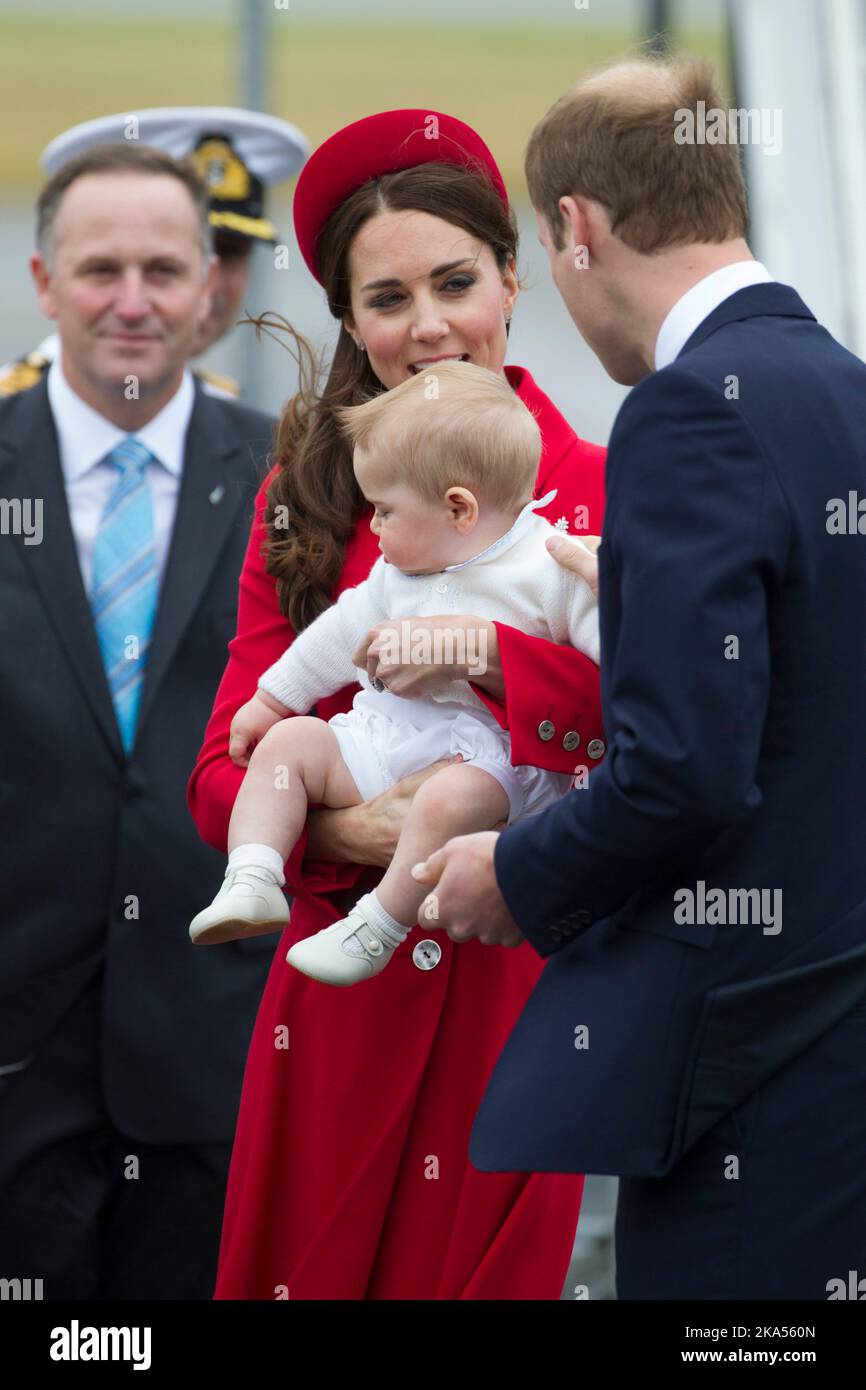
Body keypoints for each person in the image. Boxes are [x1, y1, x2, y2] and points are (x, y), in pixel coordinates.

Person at [411, 56, 866, 1301]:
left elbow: (683, 771)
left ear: (573, 228)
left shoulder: (687, 411)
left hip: (752, 1072)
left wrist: (514, 872)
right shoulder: (841, 391)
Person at [188, 108, 606, 1299]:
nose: (427, 330)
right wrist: (364, 830)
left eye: (455, 282)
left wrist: (490, 660)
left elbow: (660, 745)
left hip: (512, 992)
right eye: (385, 300)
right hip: (332, 1003)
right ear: (350, 322)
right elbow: (221, 772)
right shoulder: (315, 495)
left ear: (514, 279)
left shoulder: (601, 493)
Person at [0, 141, 276, 1298]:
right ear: (43, 279)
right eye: (98, 266)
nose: (130, 300)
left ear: (210, 287)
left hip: (212, 1043)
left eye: (163, 269)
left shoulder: (291, 475)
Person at [188, 361, 599, 987]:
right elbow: (335, 635)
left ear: (457, 508)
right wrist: (273, 700)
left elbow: (621, 676)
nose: (373, 525)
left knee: (447, 801)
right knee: (291, 745)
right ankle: (253, 876)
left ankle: (377, 925)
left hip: (489, 758)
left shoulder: (553, 566)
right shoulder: (398, 571)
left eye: (383, 510)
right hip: (387, 736)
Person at [0, 107, 309, 399]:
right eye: (104, 268)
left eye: (227, 252)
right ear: (47, 280)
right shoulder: (12, 410)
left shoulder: (237, 422)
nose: (207, 285)